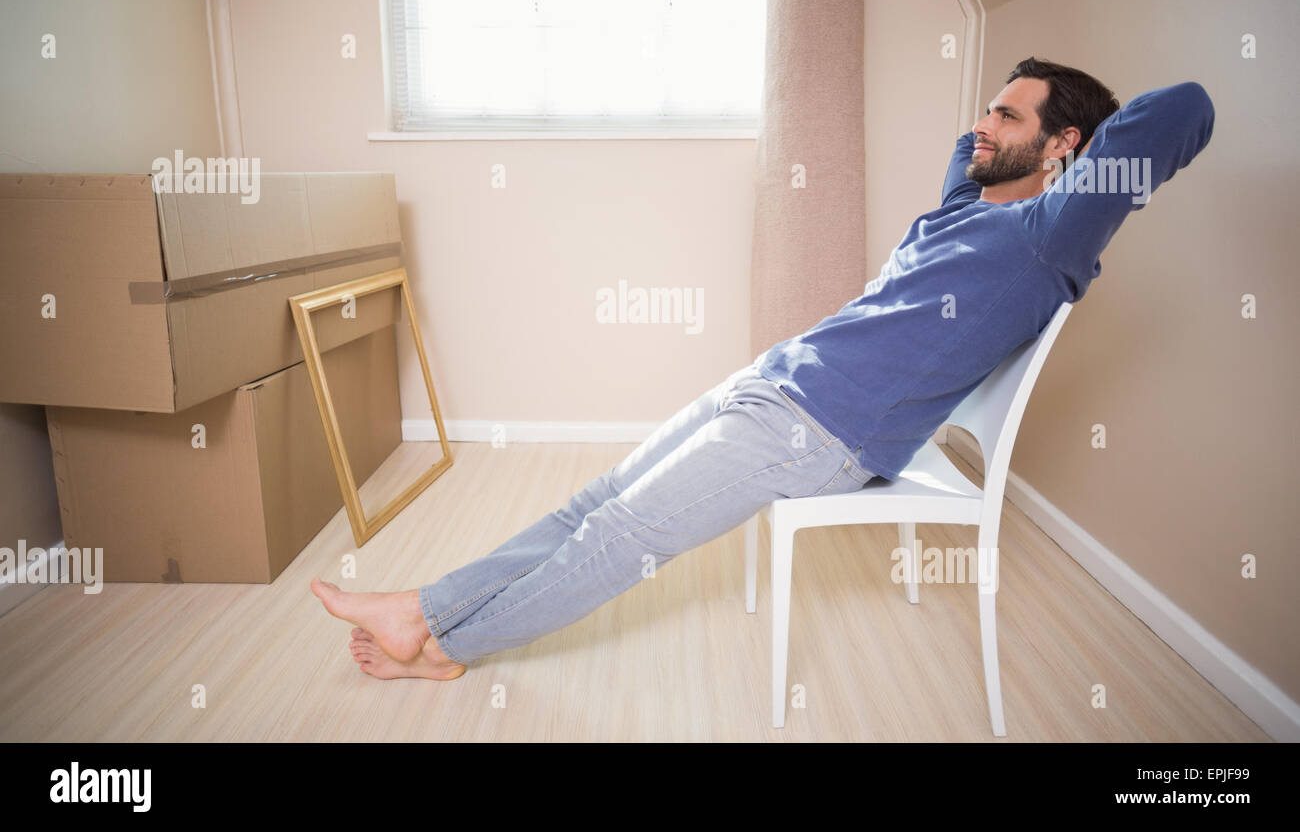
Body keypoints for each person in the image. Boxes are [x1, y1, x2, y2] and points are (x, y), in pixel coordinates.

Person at [311, 57, 1215, 681]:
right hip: (772, 384)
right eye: (987, 108)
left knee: (622, 538)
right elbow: (966, 151)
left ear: (1064, 148)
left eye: (1007, 115)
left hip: (816, 432)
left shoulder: (1047, 237)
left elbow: (1186, 107)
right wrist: (1007, 120)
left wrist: (1080, 155)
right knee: (589, 506)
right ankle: (434, 621)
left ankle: (436, 630)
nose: (981, 126)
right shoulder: (963, 212)